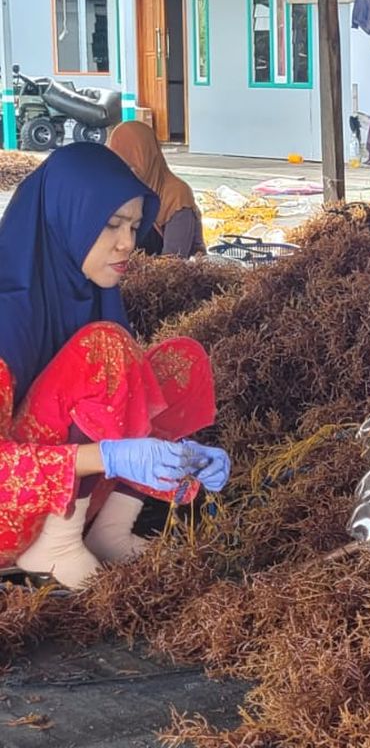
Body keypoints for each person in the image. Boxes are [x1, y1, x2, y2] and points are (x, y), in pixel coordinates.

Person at [0, 143, 230, 590]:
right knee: (105, 347)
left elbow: (117, 400)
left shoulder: (89, 295)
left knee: (181, 363)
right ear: (65, 219)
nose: (128, 243)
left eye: (134, 226)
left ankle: (108, 531)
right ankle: (58, 545)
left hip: (68, 496)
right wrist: (109, 455)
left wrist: (181, 457)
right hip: (10, 514)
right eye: (110, 225)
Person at [107, 121, 205, 257]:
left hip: (170, 274)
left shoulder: (176, 195)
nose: (126, 173)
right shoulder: (118, 191)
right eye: (119, 165)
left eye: (132, 165)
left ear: (150, 157)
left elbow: (173, 261)